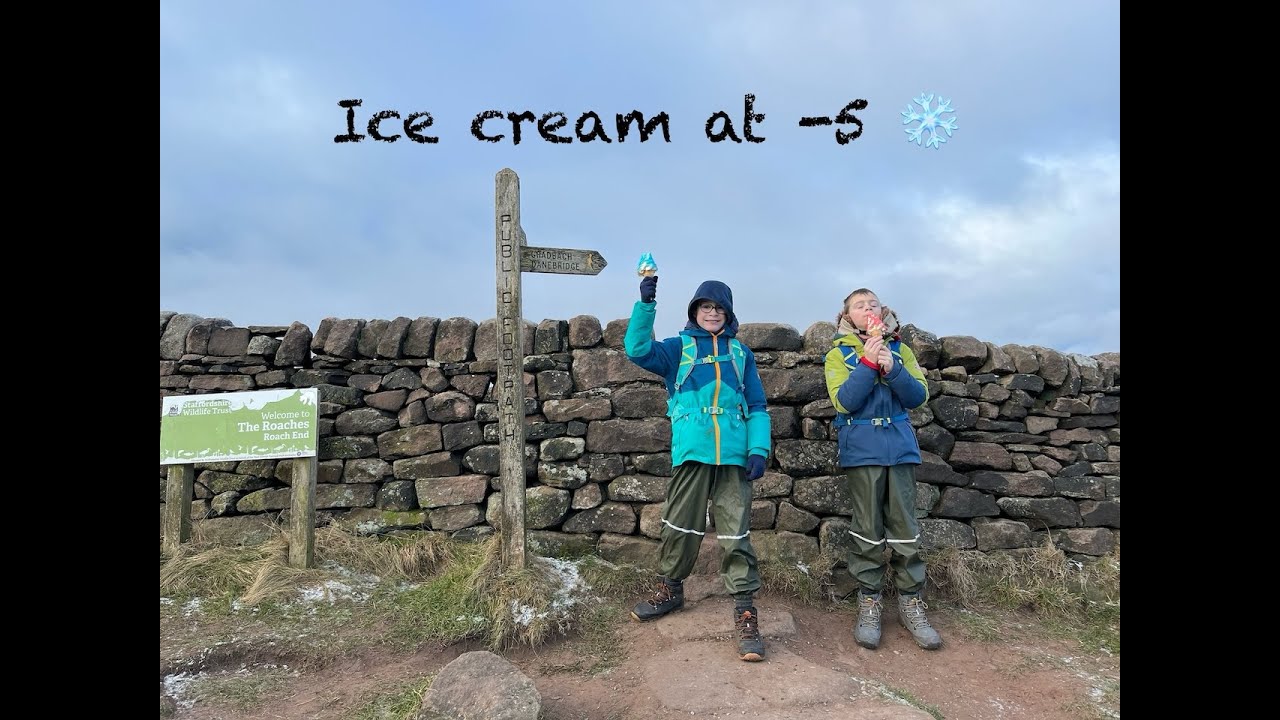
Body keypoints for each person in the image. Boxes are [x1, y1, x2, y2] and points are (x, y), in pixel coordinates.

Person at [624, 273, 772, 662]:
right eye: (706, 307)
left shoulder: (741, 355)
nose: (712, 313)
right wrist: (645, 304)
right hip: (692, 452)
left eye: (719, 308)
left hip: (735, 458)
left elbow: (757, 405)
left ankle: (744, 610)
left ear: (729, 314)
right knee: (681, 525)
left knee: (736, 533)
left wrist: (758, 448)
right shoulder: (678, 349)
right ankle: (671, 590)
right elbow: (637, 349)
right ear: (695, 311)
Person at [823, 287, 942, 651]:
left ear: (882, 311)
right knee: (867, 529)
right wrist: (869, 365)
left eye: (872, 304)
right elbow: (844, 402)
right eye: (860, 306)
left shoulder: (902, 349)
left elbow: (917, 397)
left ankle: (911, 601)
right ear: (848, 316)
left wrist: (893, 369)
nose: (867, 309)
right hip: (862, 451)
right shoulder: (838, 353)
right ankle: (870, 600)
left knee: (906, 527)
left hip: (901, 449)